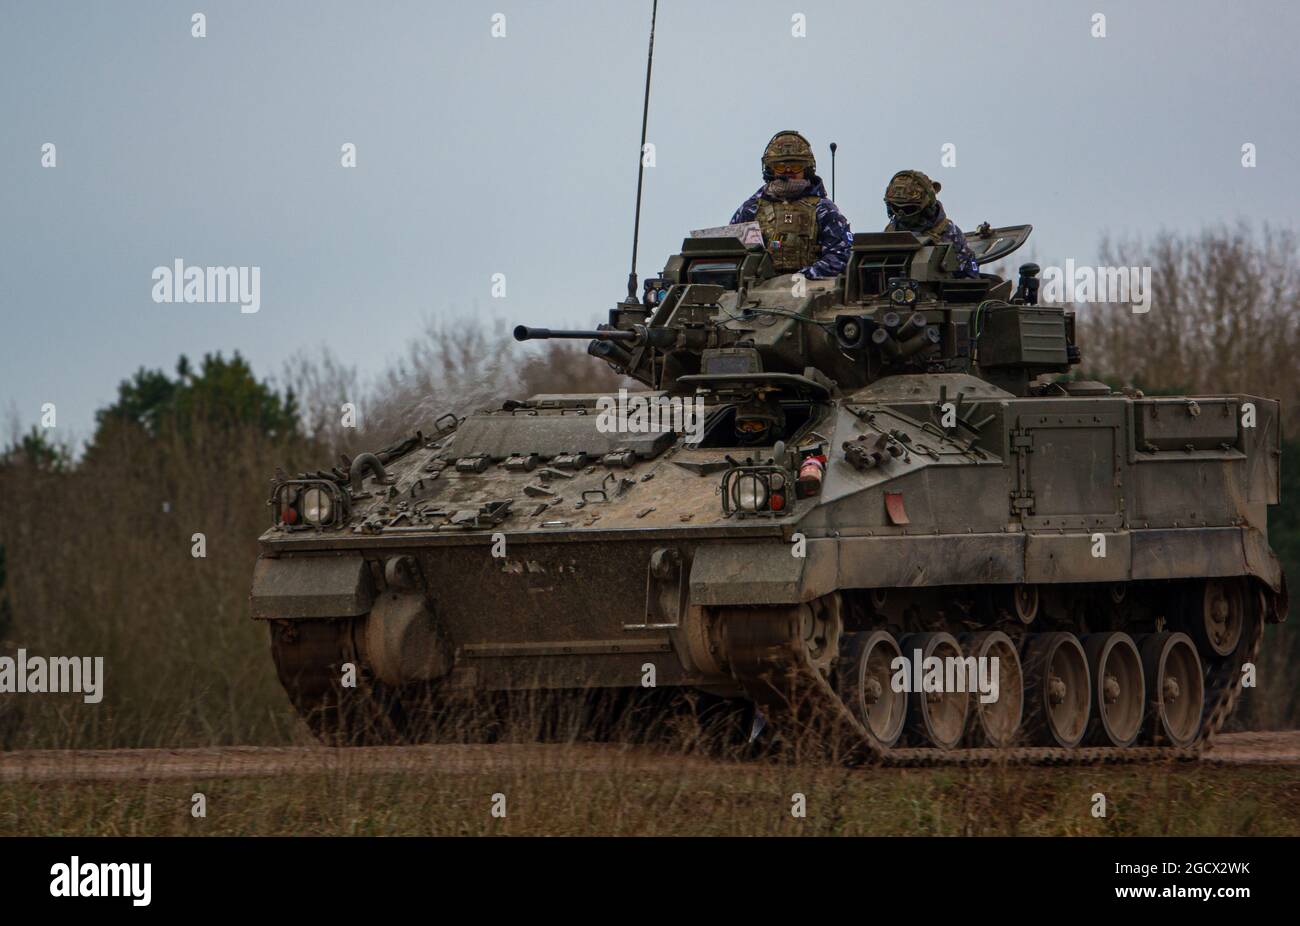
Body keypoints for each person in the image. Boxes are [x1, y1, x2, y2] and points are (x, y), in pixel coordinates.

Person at [730, 131, 852, 279]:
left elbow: (840, 254)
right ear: (771, 169)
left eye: (795, 167)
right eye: (780, 167)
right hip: (757, 290)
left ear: (807, 169)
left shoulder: (823, 209)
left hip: (810, 289)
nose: (788, 172)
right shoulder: (752, 208)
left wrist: (803, 276)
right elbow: (732, 252)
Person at [883, 170, 979, 277]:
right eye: (896, 208)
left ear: (926, 207)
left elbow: (969, 278)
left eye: (909, 209)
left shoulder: (949, 233)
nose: (902, 215)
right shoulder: (891, 231)